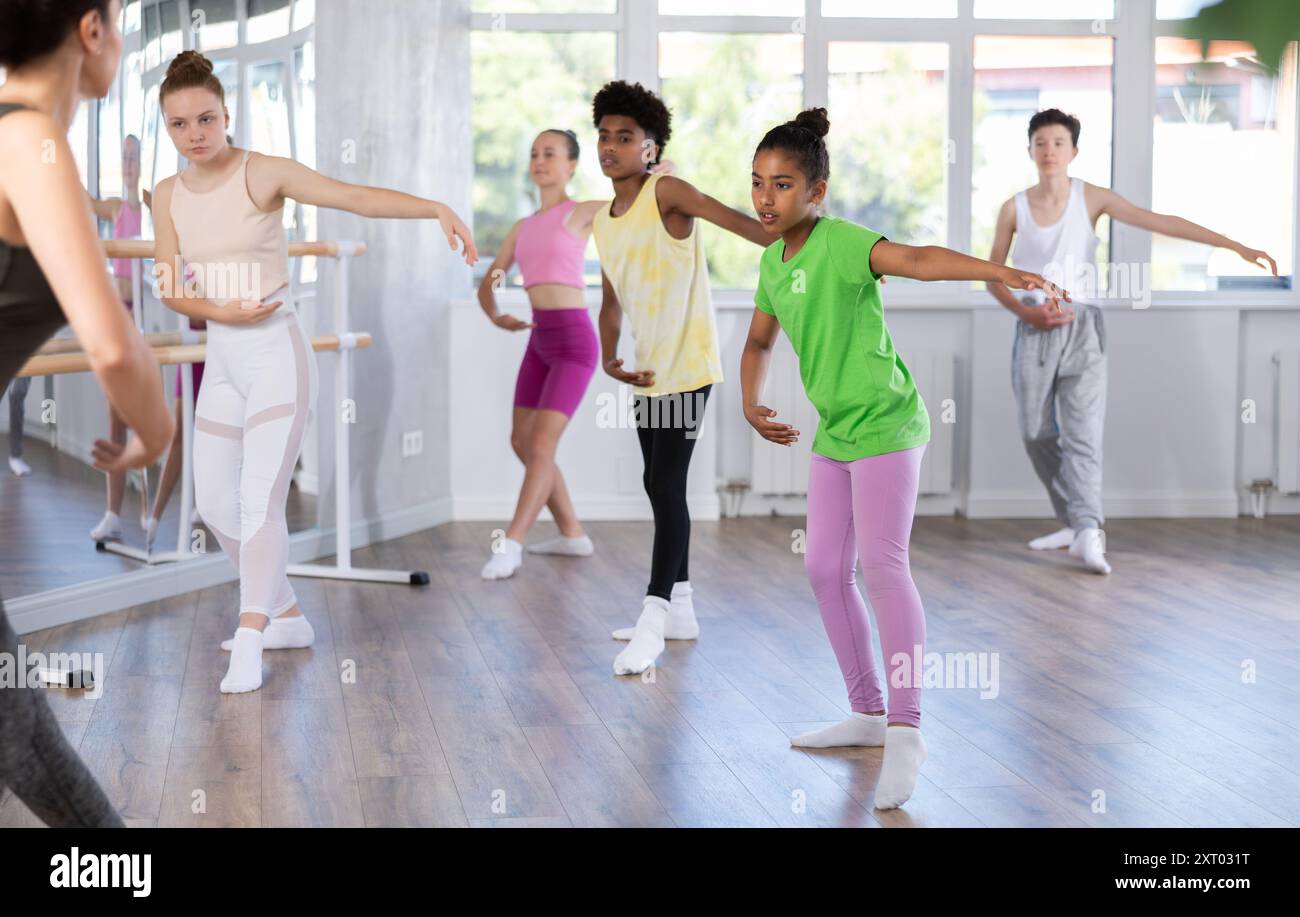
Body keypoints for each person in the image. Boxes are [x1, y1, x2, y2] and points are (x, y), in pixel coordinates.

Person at [743, 108, 1066, 809]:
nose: (767, 198)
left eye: (784, 184)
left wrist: (1001, 269)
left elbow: (918, 260)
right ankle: (865, 709)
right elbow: (759, 341)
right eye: (759, 183)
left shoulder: (841, 242)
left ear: (816, 193)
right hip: (837, 431)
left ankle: (907, 726)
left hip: (888, 424)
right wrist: (749, 399)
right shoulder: (773, 260)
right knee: (825, 568)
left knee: (882, 566)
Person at [150, 51, 477, 693]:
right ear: (168, 127)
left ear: (226, 113)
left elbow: (351, 196)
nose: (195, 135)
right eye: (180, 124)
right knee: (215, 502)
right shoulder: (166, 195)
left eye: (206, 119)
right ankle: (288, 614)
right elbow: (167, 286)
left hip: (277, 352)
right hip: (224, 356)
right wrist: (220, 309)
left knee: (257, 500)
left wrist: (434, 207)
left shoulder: (261, 171)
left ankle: (250, 636)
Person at [0, 0, 175, 827]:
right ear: (92, 29)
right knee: (26, 743)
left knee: (17, 737)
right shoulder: (31, 140)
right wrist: (159, 432)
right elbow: (114, 346)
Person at [987, 108, 1278, 574]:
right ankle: (1073, 519)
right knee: (1035, 430)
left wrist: (1236, 246)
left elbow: (1162, 222)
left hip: (1085, 327)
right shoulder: (1013, 208)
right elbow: (994, 276)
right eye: (1040, 143)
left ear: (1074, 151)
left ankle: (1088, 530)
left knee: (1083, 437)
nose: (1049, 151)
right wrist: (1027, 312)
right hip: (1036, 325)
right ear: (1030, 150)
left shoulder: (1093, 198)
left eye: (1058, 143)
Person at [588, 80, 771, 676]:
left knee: (667, 487)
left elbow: (750, 228)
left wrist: (803, 221)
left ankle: (653, 618)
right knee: (655, 482)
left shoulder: (667, 192)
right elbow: (611, 299)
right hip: (647, 371)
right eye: (605, 136)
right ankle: (683, 607)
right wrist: (609, 355)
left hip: (689, 366)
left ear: (651, 147)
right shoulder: (603, 219)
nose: (611, 146)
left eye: (626, 137)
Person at [477, 130, 676, 581]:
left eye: (550, 154)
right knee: (520, 441)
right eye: (534, 154)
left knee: (542, 443)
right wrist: (494, 314)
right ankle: (572, 534)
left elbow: (636, 205)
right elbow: (491, 278)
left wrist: (661, 173)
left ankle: (512, 543)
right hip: (539, 340)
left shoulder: (583, 212)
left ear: (570, 165)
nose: (540, 161)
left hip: (574, 342)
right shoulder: (521, 228)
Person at [87, 133, 152, 542]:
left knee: (140, 419)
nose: (128, 162)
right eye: (124, 156)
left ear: (142, 161)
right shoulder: (113, 206)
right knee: (115, 420)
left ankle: (147, 510)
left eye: (134, 156)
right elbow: (81, 202)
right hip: (115, 318)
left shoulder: (147, 204)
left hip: (138, 323)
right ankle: (112, 514)